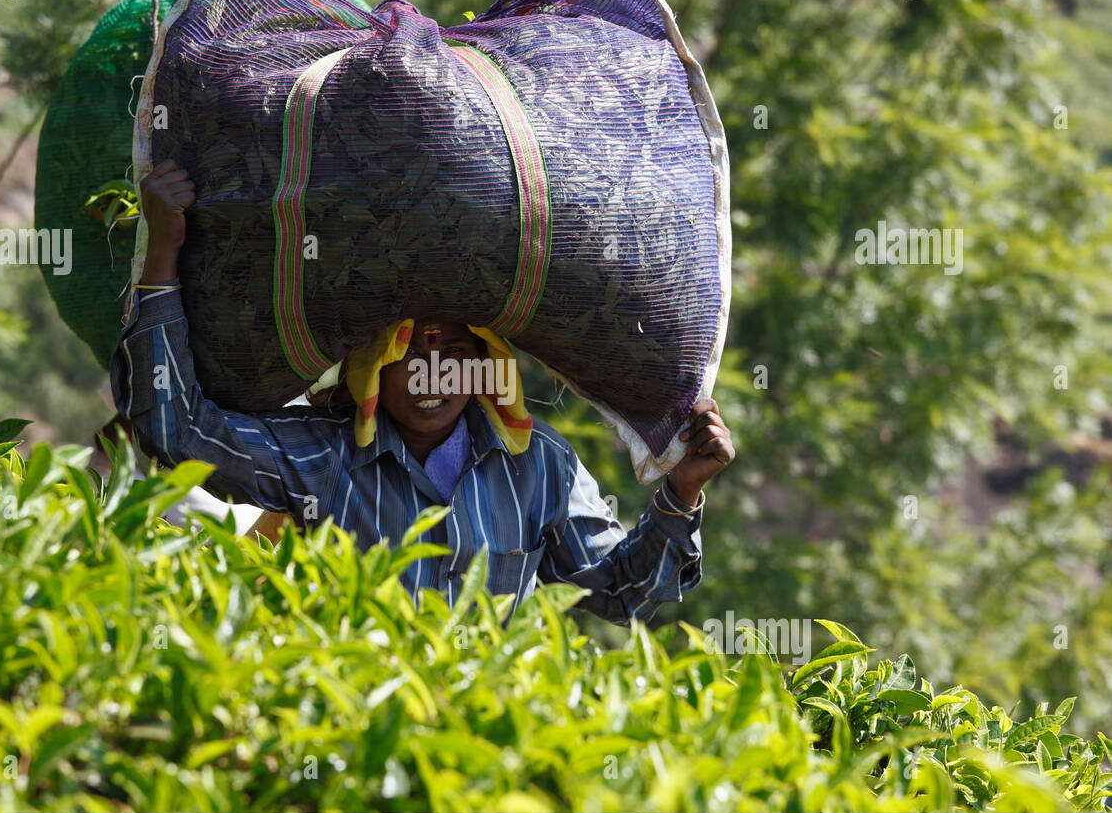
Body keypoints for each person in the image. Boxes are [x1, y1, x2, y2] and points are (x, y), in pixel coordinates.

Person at [111, 160, 736, 626]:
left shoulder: (538, 467)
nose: (435, 374)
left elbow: (618, 593)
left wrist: (683, 491)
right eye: (410, 354)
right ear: (371, 368)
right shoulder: (326, 459)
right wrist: (163, 252)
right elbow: (178, 429)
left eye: (456, 355)